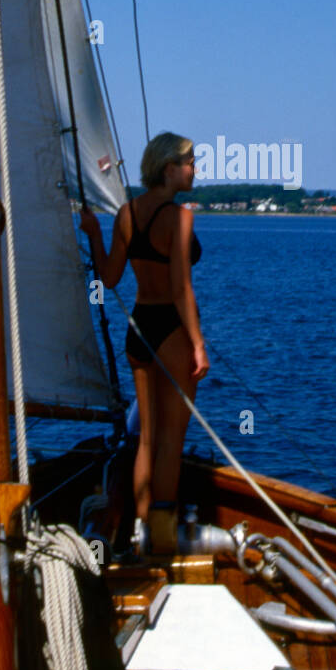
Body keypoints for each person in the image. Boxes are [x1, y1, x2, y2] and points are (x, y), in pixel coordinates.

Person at [80, 132, 208, 553]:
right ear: (169, 169)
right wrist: (198, 344)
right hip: (171, 329)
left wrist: (94, 234)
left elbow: (110, 277)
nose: (194, 169)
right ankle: (164, 538)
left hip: (138, 326)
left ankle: (137, 530)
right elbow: (181, 290)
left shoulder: (126, 213)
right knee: (171, 440)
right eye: (189, 162)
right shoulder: (180, 217)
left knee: (147, 439)